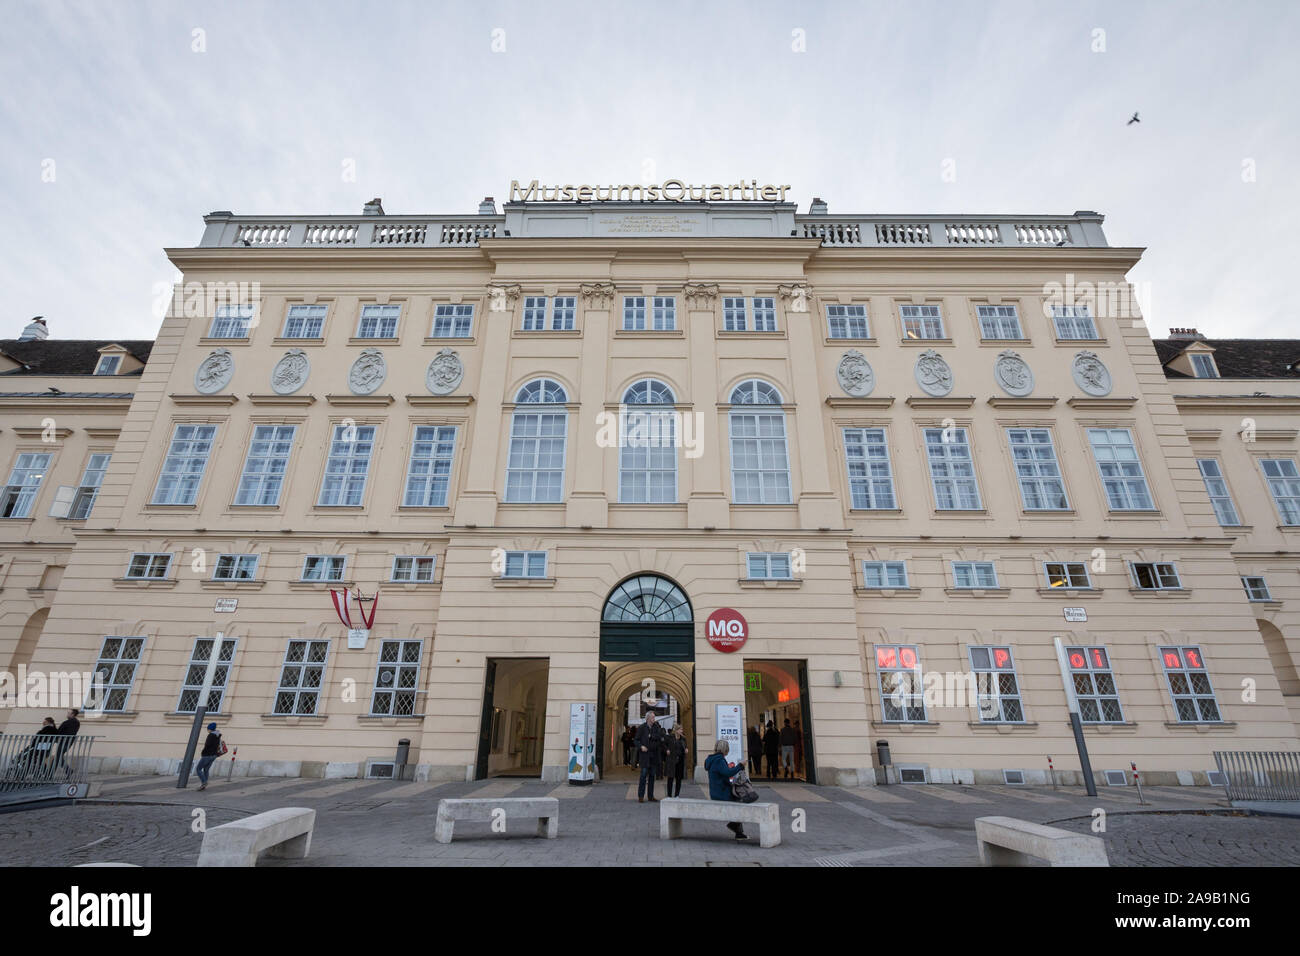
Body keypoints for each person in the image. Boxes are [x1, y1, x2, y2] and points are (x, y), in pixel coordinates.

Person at [704, 739, 749, 841]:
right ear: (725, 749)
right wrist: (740, 765)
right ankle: (736, 828)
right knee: (740, 801)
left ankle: (738, 830)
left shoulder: (712, 759)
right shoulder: (719, 760)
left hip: (715, 792)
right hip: (722, 793)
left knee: (738, 799)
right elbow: (728, 773)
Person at [634, 712, 665, 803]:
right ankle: (641, 796)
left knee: (652, 776)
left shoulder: (656, 727)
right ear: (647, 718)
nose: (654, 719)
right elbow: (636, 740)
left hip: (654, 755)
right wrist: (641, 746)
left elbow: (660, 737)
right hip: (645, 756)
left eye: (654, 717)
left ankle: (651, 796)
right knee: (643, 776)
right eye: (652, 717)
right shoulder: (642, 728)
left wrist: (652, 736)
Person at [53, 708, 80, 778]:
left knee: (58, 757)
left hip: (63, 742)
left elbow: (59, 731)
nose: (67, 714)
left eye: (68, 713)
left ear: (73, 714)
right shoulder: (76, 722)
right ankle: (51, 773)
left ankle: (68, 770)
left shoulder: (68, 722)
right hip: (68, 742)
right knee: (58, 757)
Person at [195, 722, 222, 791]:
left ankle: (204, 782)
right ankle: (204, 785)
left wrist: (203, 752)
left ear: (210, 729)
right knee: (206, 769)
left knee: (198, 769)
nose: (207, 730)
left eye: (208, 729)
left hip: (207, 755)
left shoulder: (211, 735)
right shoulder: (218, 735)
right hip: (214, 755)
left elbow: (207, 745)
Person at [665, 724, 688, 797]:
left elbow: (685, 746)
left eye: (682, 729)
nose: (682, 731)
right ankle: (669, 795)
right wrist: (666, 750)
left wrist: (686, 749)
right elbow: (664, 745)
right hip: (672, 760)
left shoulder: (683, 739)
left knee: (678, 778)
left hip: (680, 760)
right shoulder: (669, 737)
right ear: (676, 730)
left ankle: (677, 795)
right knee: (670, 778)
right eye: (680, 729)